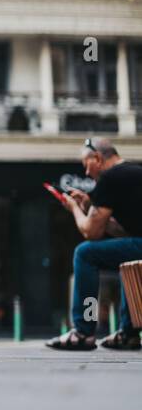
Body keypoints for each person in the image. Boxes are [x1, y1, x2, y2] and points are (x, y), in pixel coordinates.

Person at [46, 137, 142, 350]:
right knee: (129, 257)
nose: (87, 173)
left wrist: (74, 209)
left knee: (85, 254)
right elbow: (122, 232)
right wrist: (90, 204)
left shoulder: (110, 178)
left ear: (97, 158)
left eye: (86, 165)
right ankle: (129, 333)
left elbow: (91, 232)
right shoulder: (133, 172)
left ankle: (83, 330)